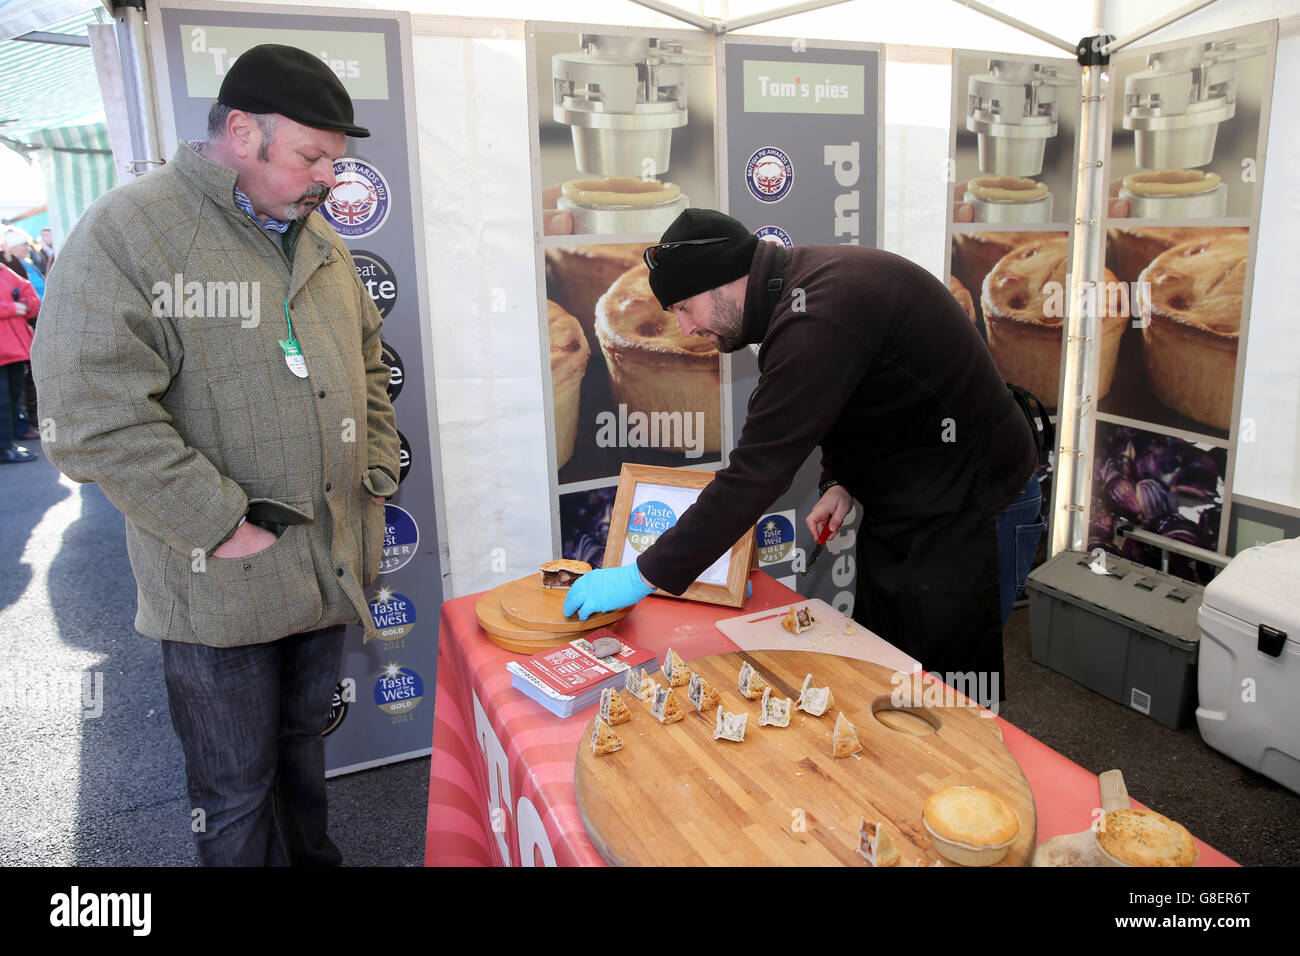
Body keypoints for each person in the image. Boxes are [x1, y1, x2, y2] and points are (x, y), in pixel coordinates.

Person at [31, 44, 400, 866]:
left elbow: (369, 367)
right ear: (242, 132)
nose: (328, 180)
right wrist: (221, 522)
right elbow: (88, 415)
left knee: (304, 755)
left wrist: (374, 467)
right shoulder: (132, 231)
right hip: (218, 586)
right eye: (312, 157)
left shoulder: (319, 243)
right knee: (234, 793)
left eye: (335, 162)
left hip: (325, 562)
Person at [565, 209, 1043, 705]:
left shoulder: (816, 314)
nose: (685, 328)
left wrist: (641, 575)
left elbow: (754, 474)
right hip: (915, 495)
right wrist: (841, 480)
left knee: (945, 695)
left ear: (725, 282)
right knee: (890, 673)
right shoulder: (799, 291)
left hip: (977, 500)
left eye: (686, 307)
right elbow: (862, 392)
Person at [0, 262, 39, 462]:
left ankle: (8, 445)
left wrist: (22, 305)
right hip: (6, 347)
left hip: (14, 348)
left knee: (14, 399)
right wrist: (12, 308)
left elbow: (31, 295)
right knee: (3, 402)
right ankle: (3, 449)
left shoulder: (4, 270)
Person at [2, 228, 44, 300]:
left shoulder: (29, 265)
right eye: (24, 245)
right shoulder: (9, 269)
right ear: (11, 247)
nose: (29, 249)